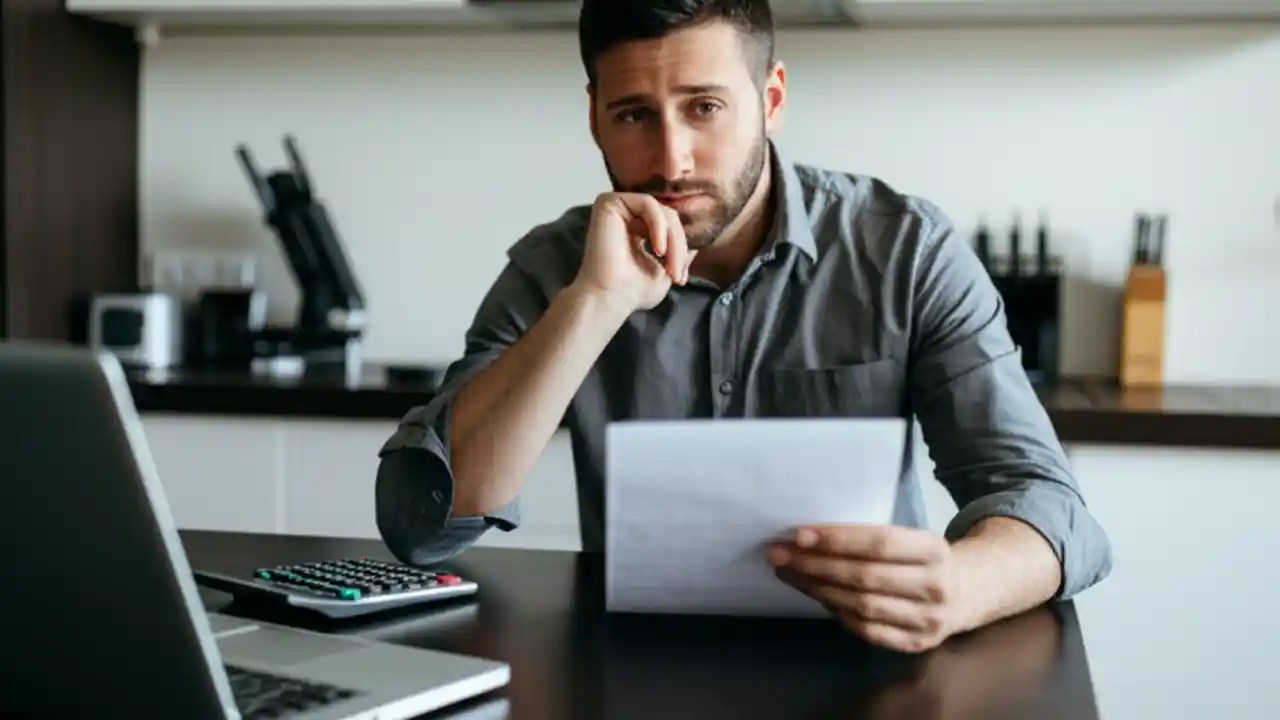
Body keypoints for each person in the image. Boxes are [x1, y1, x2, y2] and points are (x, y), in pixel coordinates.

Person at [375, 0, 1112, 654]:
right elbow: (426, 525)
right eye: (634, 114)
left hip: (870, 666)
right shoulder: (555, 270)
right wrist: (592, 302)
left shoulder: (905, 250)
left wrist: (961, 585)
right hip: (632, 671)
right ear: (594, 113)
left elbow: (1051, 508)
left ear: (772, 97)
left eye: (705, 107)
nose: (671, 160)